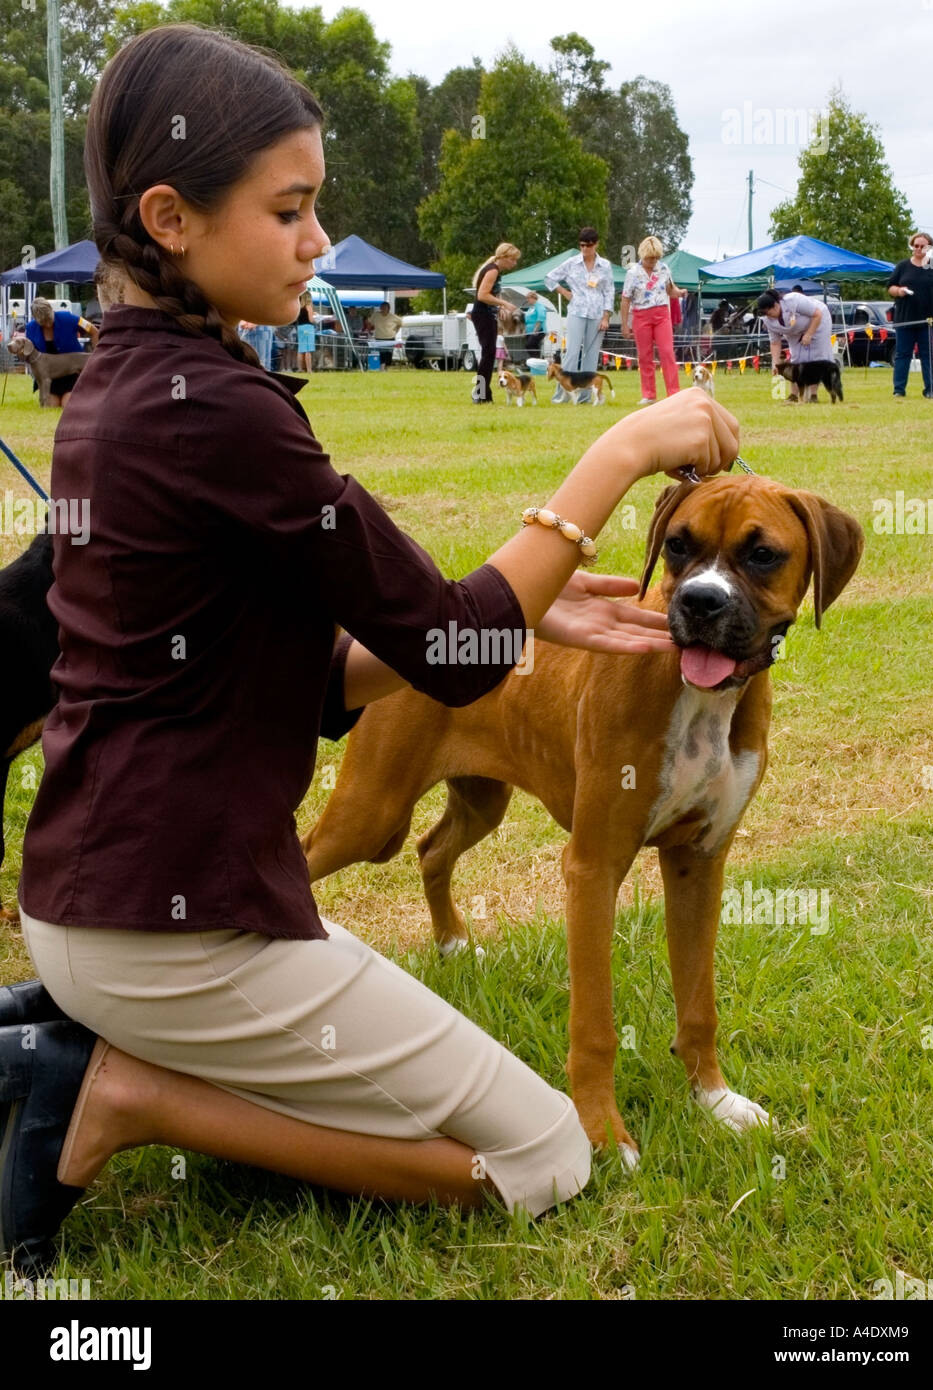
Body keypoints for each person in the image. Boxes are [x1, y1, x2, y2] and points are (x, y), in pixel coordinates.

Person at [1, 22, 740, 1275]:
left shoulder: (121, 386)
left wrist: (524, 615)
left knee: (360, 1094)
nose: (316, 242)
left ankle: (64, 1029)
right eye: (288, 210)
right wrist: (615, 454)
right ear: (171, 217)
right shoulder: (220, 410)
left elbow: (289, 667)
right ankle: (119, 1093)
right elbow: (451, 642)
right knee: (544, 1155)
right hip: (181, 934)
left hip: (101, 903)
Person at [545, 229, 614, 403]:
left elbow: (609, 291)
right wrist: (564, 292)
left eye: (588, 245)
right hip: (576, 311)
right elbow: (549, 278)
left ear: (596, 244)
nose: (585, 249)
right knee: (572, 353)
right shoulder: (571, 263)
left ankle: (585, 396)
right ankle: (562, 396)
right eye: (582, 245)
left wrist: (606, 316)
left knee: (591, 355)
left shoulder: (605, 265)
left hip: (597, 314)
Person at [886, 231, 933, 399]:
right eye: (916, 245)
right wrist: (899, 291)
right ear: (912, 246)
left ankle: (930, 390)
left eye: (923, 246)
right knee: (902, 354)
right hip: (905, 319)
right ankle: (899, 390)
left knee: (928, 355)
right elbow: (890, 287)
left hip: (928, 321)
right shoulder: (903, 266)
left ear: (928, 247)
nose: (919, 249)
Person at [621, 237, 684, 405]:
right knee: (644, 356)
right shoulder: (632, 273)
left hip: (662, 314)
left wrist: (679, 292)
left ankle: (674, 392)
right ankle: (649, 394)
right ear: (643, 255)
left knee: (667, 352)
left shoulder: (664, 269)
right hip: (641, 315)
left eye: (656, 257)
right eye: (650, 258)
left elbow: (671, 290)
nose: (653, 261)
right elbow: (626, 299)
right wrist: (625, 324)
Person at [756, 288, 834, 403]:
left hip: (818, 321)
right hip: (794, 330)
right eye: (765, 314)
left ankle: (813, 395)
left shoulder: (794, 300)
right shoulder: (768, 320)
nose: (769, 317)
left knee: (817, 357)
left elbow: (817, 314)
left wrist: (809, 334)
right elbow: (775, 342)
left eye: (769, 313)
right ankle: (794, 395)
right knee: (796, 358)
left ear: (776, 305)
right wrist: (775, 363)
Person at [23, 297, 100, 407]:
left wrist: (97, 355)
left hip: (72, 373)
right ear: (35, 319)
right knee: (51, 406)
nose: (48, 324)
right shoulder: (30, 329)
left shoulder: (69, 318)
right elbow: (30, 354)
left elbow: (94, 332)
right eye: (43, 322)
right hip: (49, 378)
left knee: (68, 405)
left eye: (49, 320)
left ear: (51, 310)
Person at [470, 243, 521, 403]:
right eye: (513, 259)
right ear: (504, 257)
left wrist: (497, 307)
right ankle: (480, 394)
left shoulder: (494, 270)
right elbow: (482, 295)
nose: (515, 263)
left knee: (489, 354)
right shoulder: (493, 270)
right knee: (488, 354)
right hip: (482, 314)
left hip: (487, 313)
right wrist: (503, 304)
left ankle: (483, 393)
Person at [369, 300, 402, 368]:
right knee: (382, 353)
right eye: (382, 307)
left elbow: (400, 323)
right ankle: (382, 367)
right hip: (379, 337)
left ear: (388, 309)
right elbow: (369, 323)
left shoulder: (393, 316)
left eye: (385, 307)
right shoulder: (376, 315)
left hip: (390, 337)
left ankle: (387, 366)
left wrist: (396, 331)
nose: (383, 309)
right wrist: (369, 330)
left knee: (389, 353)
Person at [296, 289, 317, 372]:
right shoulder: (308, 306)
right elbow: (311, 320)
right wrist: (316, 319)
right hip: (308, 328)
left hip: (300, 328)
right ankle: (309, 369)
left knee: (301, 349)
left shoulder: (299, 307)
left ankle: (300, 368)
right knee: (308, 349)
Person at [523, 291, 547, 356]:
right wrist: (525, 331)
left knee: (529, 345)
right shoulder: (530, 308)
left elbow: (541, 318)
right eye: (526, 298)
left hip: (538, 330)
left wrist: (535, 329)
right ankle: (535, 363)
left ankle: (536, 361)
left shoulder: (540, 306)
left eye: (528, 298)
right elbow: (526, 320)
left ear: (533, 298)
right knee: (534, 347)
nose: (527, 300)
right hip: (529, 332)